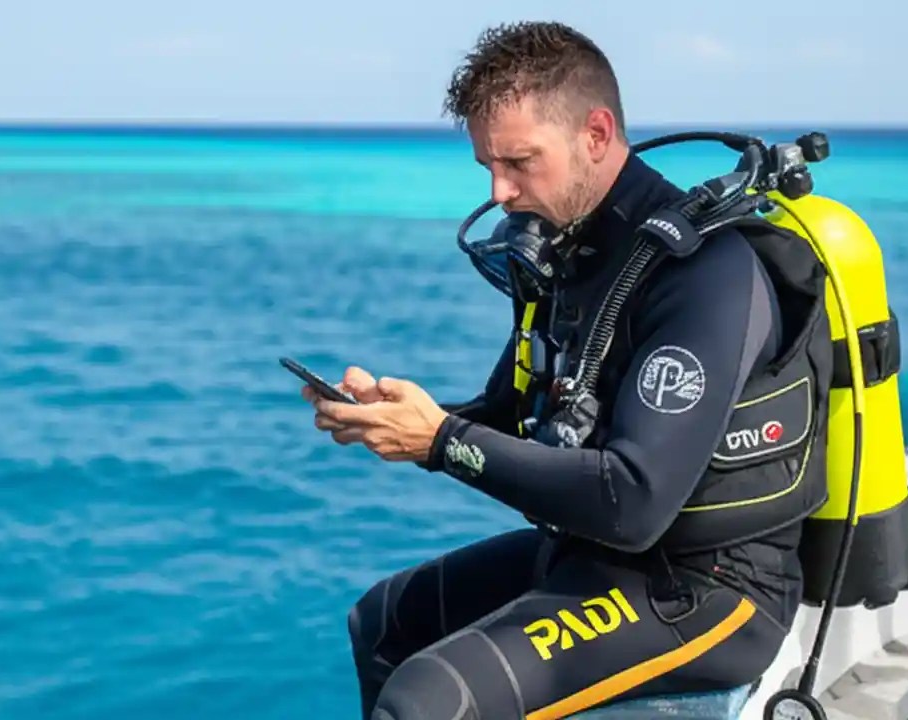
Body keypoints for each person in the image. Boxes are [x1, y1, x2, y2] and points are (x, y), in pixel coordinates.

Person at [302, 20, 833, 720]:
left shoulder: (706, 273)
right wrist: (397, 420)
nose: (500, 191)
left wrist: (438, 442)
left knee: (427, 699)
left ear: (596, 134)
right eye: (488, 166)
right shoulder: (576, 253)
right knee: (383, 621)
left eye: (520, 162)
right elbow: (510, 415)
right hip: (591, 555)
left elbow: (634, 502)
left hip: (709, 588)